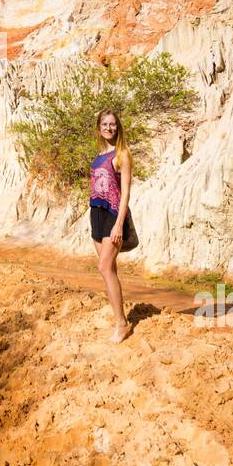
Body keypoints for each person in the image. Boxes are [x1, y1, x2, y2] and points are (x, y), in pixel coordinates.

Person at [90, 109, 133, 343]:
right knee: (110, 270)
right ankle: (119, 316)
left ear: (118, 127)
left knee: (104, 267)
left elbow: (125, 192)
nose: (109, 127)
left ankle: (122, 324)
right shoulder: (98, 155)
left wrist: (118, 225)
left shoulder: (122, 154)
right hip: (96, 213)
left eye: (113, 124)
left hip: (113, 215)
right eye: (105, 124)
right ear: (99, 128)